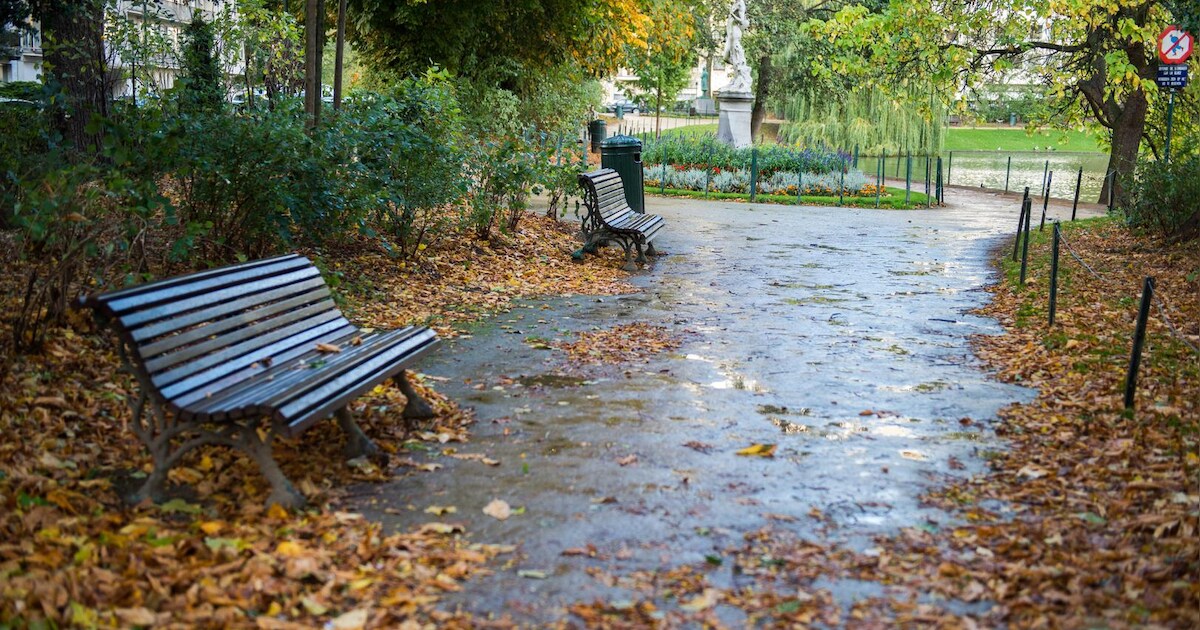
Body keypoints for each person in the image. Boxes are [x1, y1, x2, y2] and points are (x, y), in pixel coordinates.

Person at [723, 0, 752, 93]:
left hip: (735, 33)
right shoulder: (734, 3)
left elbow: (742, 20)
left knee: (737, 56)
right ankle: (738, 72)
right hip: (730, 34)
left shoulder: (740, 4)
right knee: (725, 57)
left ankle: (741, 75)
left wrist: (733, 15)